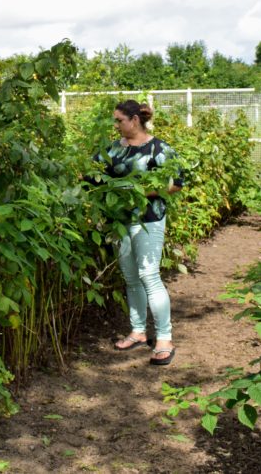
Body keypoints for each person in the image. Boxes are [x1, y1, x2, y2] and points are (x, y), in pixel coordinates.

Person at [99, 99, 182, 366]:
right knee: (131, 277)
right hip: (120, 221)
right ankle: (137, 331)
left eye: (119, 120)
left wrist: (140, 191)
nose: (116, 125)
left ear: (135, 120)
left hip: (149, 219)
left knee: (149, 275)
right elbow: (95, 173)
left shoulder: (159, 149)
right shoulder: (115, 149)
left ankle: (164, 339)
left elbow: (176, 183)